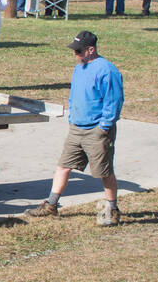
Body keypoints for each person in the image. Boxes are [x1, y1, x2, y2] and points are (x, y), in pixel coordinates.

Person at [24, 31, 124, 227]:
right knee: (63, 166)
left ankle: (112, 208)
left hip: (97, 130)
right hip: (77, 128)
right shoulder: (79, 68)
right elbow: (74, 94)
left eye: (78, 51)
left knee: (104, 171)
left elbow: (114, 101)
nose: (75, 54)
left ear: (91, 50)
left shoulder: (107, 70)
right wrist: (72, 117)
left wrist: (104, 126)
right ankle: (51, 205)